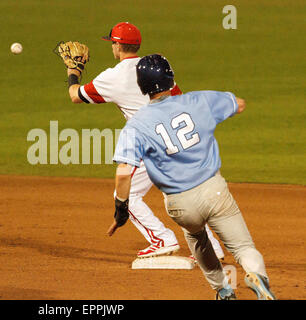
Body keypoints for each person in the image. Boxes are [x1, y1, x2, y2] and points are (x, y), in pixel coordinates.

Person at [109, 53, 276, 300]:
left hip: (180, 204)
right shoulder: (197, 101)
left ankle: (223, 290)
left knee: (197, 237)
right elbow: (238, 104)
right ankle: (256, 276)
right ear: (170, 78)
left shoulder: (136, 125)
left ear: (142, 86)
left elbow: (124, 171)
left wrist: (121, 208)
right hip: (214, 190)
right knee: (242, 248)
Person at [62, 22, 224, 259]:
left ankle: (161, 239)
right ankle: (211, 248)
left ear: (117, 46)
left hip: (148, 142)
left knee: (127, 195)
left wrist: (73, 71)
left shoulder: (113, 77)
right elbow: (178, 99)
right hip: (176, 138)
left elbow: (76, 95)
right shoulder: (156, 67)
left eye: (112, 43)